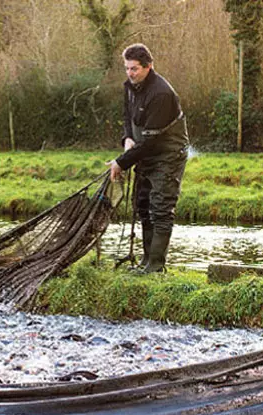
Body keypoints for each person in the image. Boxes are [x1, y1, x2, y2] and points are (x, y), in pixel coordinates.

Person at [106, 43, 189, 273]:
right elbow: (127, 116)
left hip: (168, 154)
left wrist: (121, 162)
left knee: (161, 208)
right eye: (127, 68)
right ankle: (146, 261)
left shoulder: (161, 93)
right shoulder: (131, 87)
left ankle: (156, 266)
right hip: (145, 150)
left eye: (134, 69)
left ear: (148, 66)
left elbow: (152, 141)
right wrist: (127, 138)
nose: (130, 73)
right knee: (142, 205)